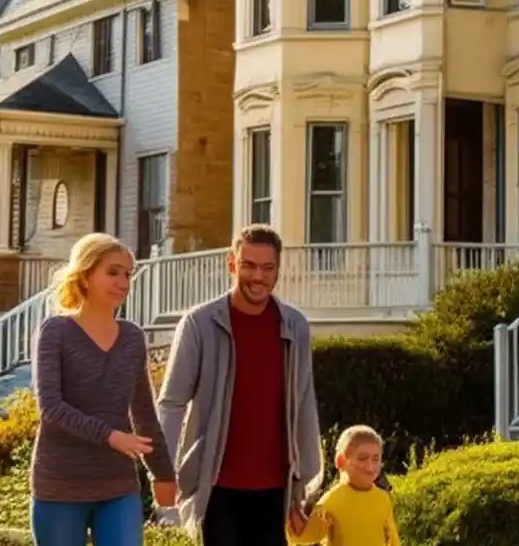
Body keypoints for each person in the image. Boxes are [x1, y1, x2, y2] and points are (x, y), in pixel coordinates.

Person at [157, 224, 323, 545]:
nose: (258, 277)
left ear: (277, 271)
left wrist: (305, 485)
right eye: (248, 265)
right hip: (218, 486)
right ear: (231, 264)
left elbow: (302, 403)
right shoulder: (199, 324)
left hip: (276, 489)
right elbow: (172, 403)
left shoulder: (295, 325)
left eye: (267, 268)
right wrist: (163, 471)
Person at [29, 233, 176, 546]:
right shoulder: (55, 332)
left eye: (127, 274)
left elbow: (144, 414)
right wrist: (111, 436)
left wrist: (163, 474)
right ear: (84, 276)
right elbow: (51, 407)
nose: (123, 282)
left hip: (118, 488)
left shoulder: (132, 337)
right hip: (60, 486)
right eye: (113, 272)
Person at [286, 425, 400, 546]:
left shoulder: (382, 499)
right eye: (362, 458)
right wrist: (290, 509)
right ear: (341, 461)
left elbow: (393, 540)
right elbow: (305, 536)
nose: (370, 467)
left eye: (375, 459)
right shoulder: (332, 501)